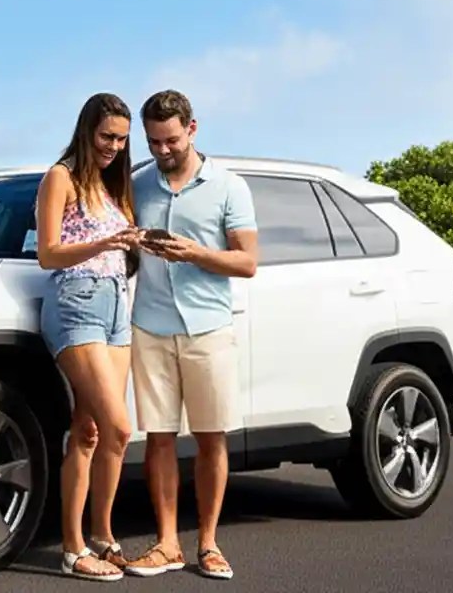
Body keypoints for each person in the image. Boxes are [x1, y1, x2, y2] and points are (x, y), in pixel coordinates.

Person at [123, 90, 258, 580]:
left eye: (172, 140)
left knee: (209, 439)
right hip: (151, 327)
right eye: (154, 141)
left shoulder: (228, 188)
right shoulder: (137, 186)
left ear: (193, 129)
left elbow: (247, 262)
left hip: (208, 328)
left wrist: (193, 253)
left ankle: (208, 544)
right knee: (158, 438)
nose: (162, 150)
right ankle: (165, 544)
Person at [35, 92, 142, 582]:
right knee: (119, 427)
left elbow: (121, 248)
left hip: (118, 305)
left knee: (91, 431)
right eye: (106, 137)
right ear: (86, 130)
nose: (114, 147)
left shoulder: (112, 183)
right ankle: (72, 548)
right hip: (77, 303)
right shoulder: (62, 177)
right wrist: (103, 241)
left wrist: (139, 240)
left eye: (121, 139)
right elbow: (48, 253)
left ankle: (101, 537)